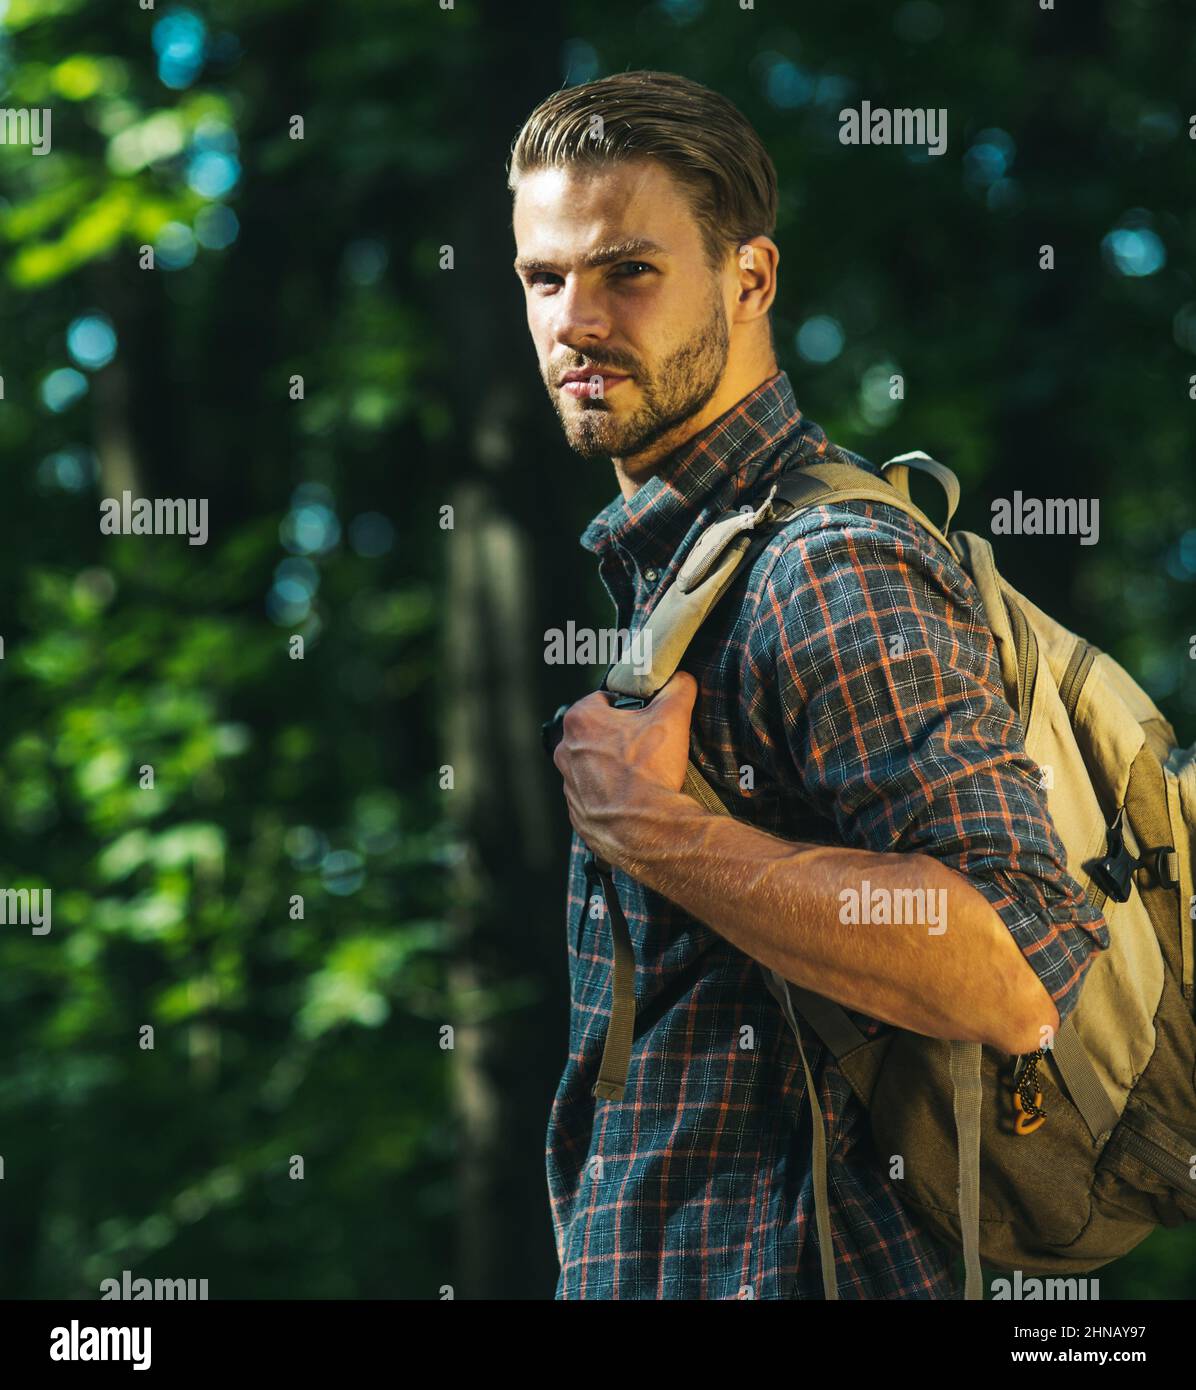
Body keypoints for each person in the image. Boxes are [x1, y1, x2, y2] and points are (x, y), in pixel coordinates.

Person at [508, 70, 1108, 1300]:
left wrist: (655, 834)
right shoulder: (686, 571)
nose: (575, 319)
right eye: (543, 279)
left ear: (749, 280)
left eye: (627, 270)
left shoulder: (824, 563)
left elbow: (1017, 966)